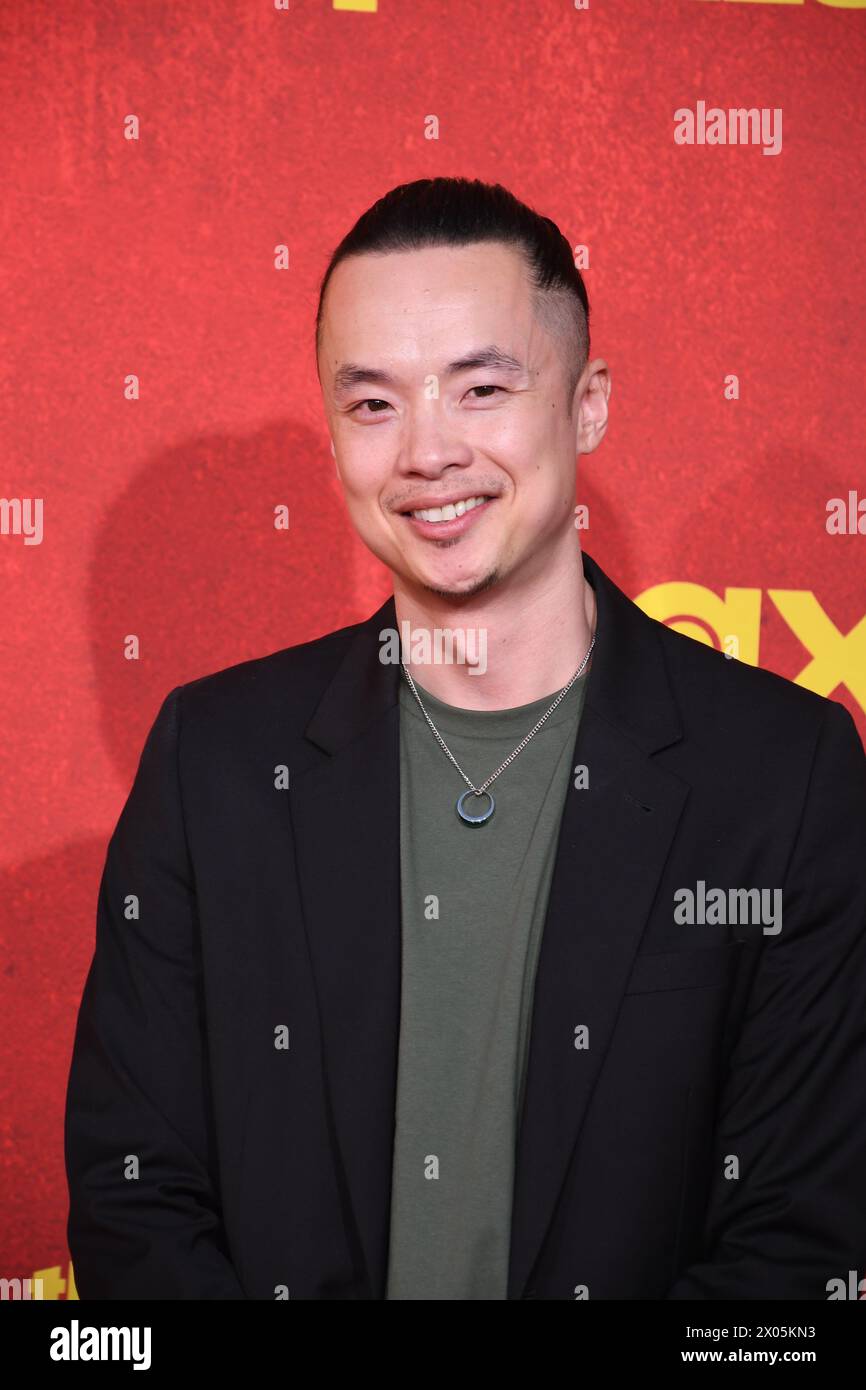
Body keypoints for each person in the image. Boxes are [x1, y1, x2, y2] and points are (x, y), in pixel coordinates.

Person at [65, 176, 866, 1300]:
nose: (427, 452)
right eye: (373, 405)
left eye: (481, 387)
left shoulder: (778, 776)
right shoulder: (217, 762)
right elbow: (133, 1194)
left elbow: (801, 1244)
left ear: (586, 404)